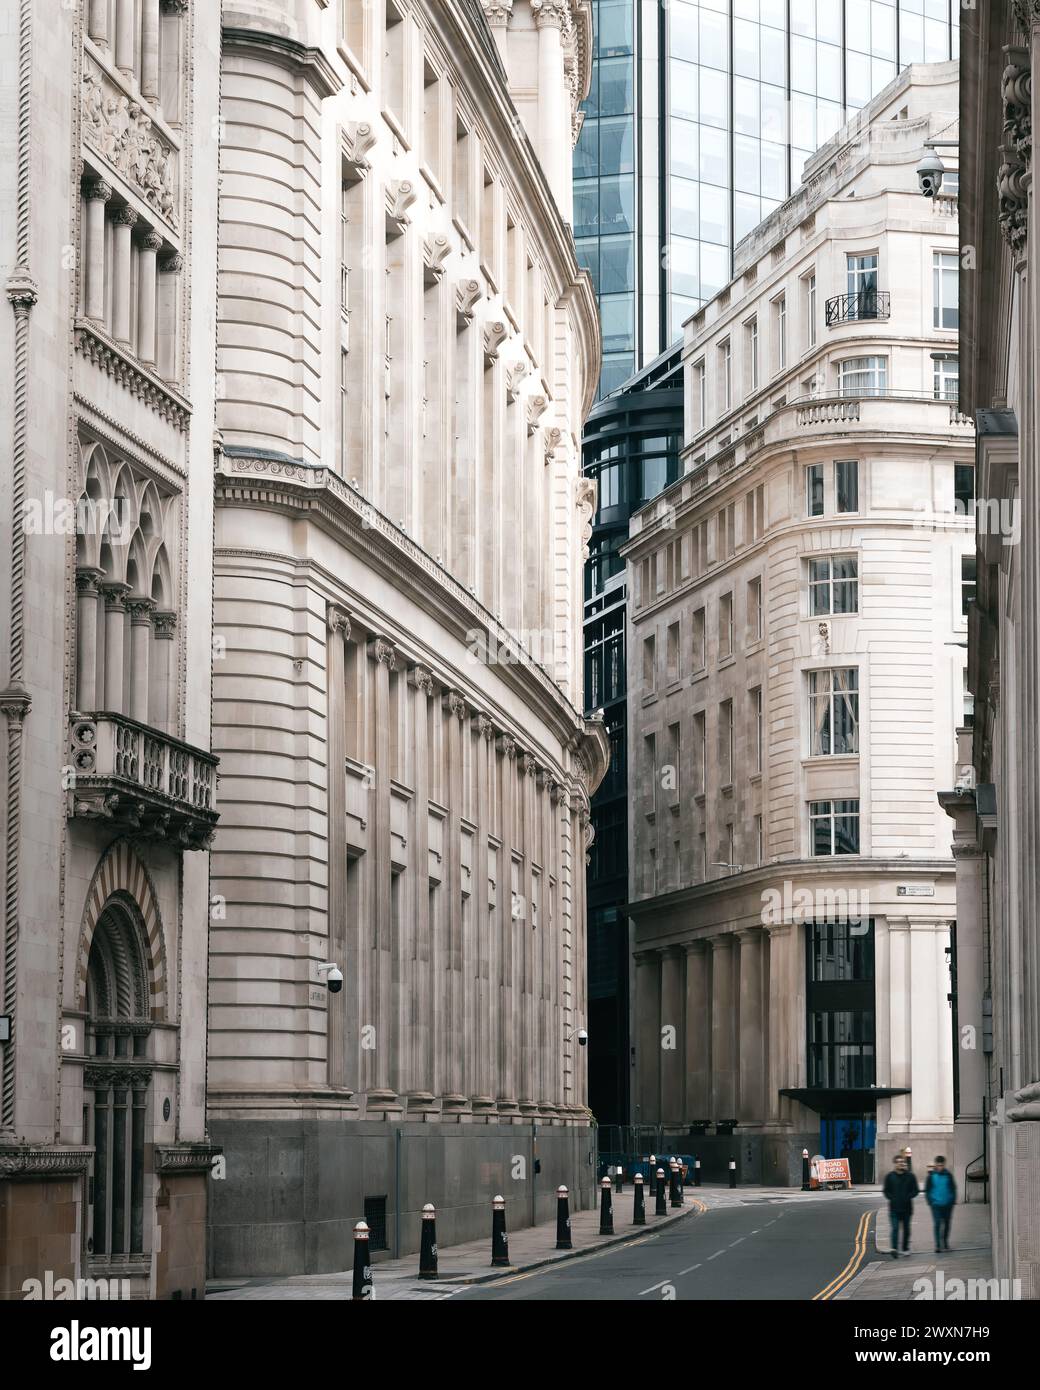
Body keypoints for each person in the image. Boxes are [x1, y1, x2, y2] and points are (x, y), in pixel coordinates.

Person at [882, 1154, 919, 1258]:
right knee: (895, 1228)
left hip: (907, 1208)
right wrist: (892, 1198)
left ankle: (905, 1248)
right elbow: (886, 1191)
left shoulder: (911, 1176)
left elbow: (915, 1191)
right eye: (899, 1162)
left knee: (907, 1230)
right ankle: (894, 1249)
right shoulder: (889, 1176)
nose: (901, 1164)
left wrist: (908, 1197)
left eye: (902, 1162)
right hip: (894, 1208)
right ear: (895, 1164)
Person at [924, 1155, 957, 1253]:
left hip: (947, 1205)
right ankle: (938, 1246)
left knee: (947, 1224)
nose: (940, 1167)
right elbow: (927, 1190)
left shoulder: (948, 1175)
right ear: (935, 1165)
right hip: (936, 1205)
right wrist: (931, 1202)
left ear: (944, 1164)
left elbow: (953, 1188)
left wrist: (952, 1200)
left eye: (942, 1165)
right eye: (938, 1165)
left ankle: (945, 1243)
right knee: (937, 1224)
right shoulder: (931, 1176)